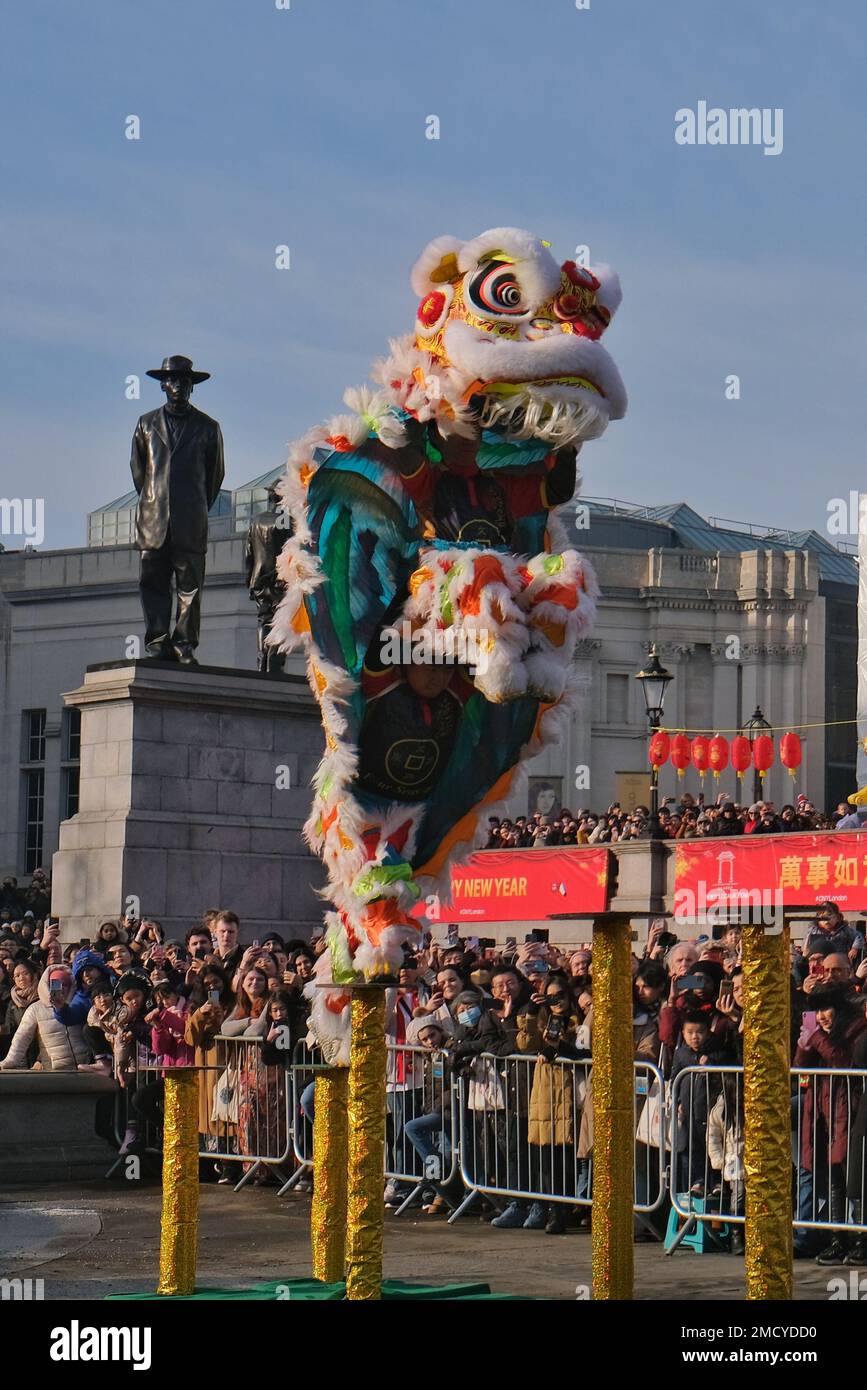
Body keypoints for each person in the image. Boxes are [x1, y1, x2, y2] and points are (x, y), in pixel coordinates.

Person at [130, 354, 225, 663]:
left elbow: (215, 476)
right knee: (153, 584)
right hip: (154, 520)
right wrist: (156, 502)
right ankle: (157, 643)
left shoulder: (208, 428)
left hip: (190, 521)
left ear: (192, 387)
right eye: (172, 380)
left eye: (185, 381)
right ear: (163, 385)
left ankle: (184, 646)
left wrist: (193, 505)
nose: (178, 386)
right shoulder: (146, 424)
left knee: (190, 589)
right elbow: (139, 472)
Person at [793, 984, 867, 1264]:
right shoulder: (819, 1034)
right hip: (823, 1111)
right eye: (817, 1010)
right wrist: (803, 1045)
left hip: (848, 1110)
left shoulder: (857, 1028)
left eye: (826, 1008)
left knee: (854, 1178)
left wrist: (819, 1038)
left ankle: (861, 1238)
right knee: (834, 1178)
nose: (822, 1016)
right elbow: (800, 1068)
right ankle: (839, 1238)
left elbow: (846, 1062)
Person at [517, 977, 589, 1233]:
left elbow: (585, 1051)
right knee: (546, 1157)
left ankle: (567, 1210)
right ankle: (551, 1209)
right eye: (550, 996)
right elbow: (525, 1044)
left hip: (573, 1092)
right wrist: (533, 1011)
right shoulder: (539, 1020)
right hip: (545, 1093)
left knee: (569, 1159)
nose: (556, 1001)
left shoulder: (580, 1022)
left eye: (560, 995)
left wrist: (560, 1046)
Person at [0, 964, 91, 1071]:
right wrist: (9, 1061)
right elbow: (21, 1038)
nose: (61, 989)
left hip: (85, 1068)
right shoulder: (35, 1009)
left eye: (65, 984)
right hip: (54, 1072)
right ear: (47, 985)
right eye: (56, 984)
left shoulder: (81, 1004)